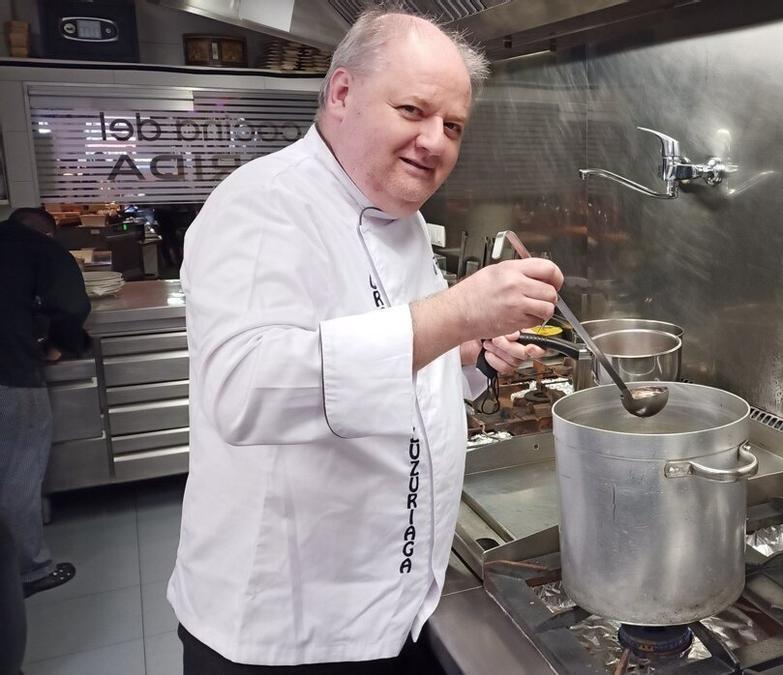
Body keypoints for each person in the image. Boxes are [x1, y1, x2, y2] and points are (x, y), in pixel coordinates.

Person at [168, 9, 563, 672]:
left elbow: (399, 361)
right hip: (287, 631)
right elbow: (247, 391)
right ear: (342, 92)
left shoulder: (401, 219)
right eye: (413, 110)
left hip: (396, 609)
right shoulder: (265, 204)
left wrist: (471, 352)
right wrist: (457, 311)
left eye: (453, 126)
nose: (434, 141)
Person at [0, 207, 87, 600]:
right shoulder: (44, 250)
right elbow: (71, 306)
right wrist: (60, 344)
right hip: (10, 371)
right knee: (19, 472)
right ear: (48, 233)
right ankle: (30, 571)